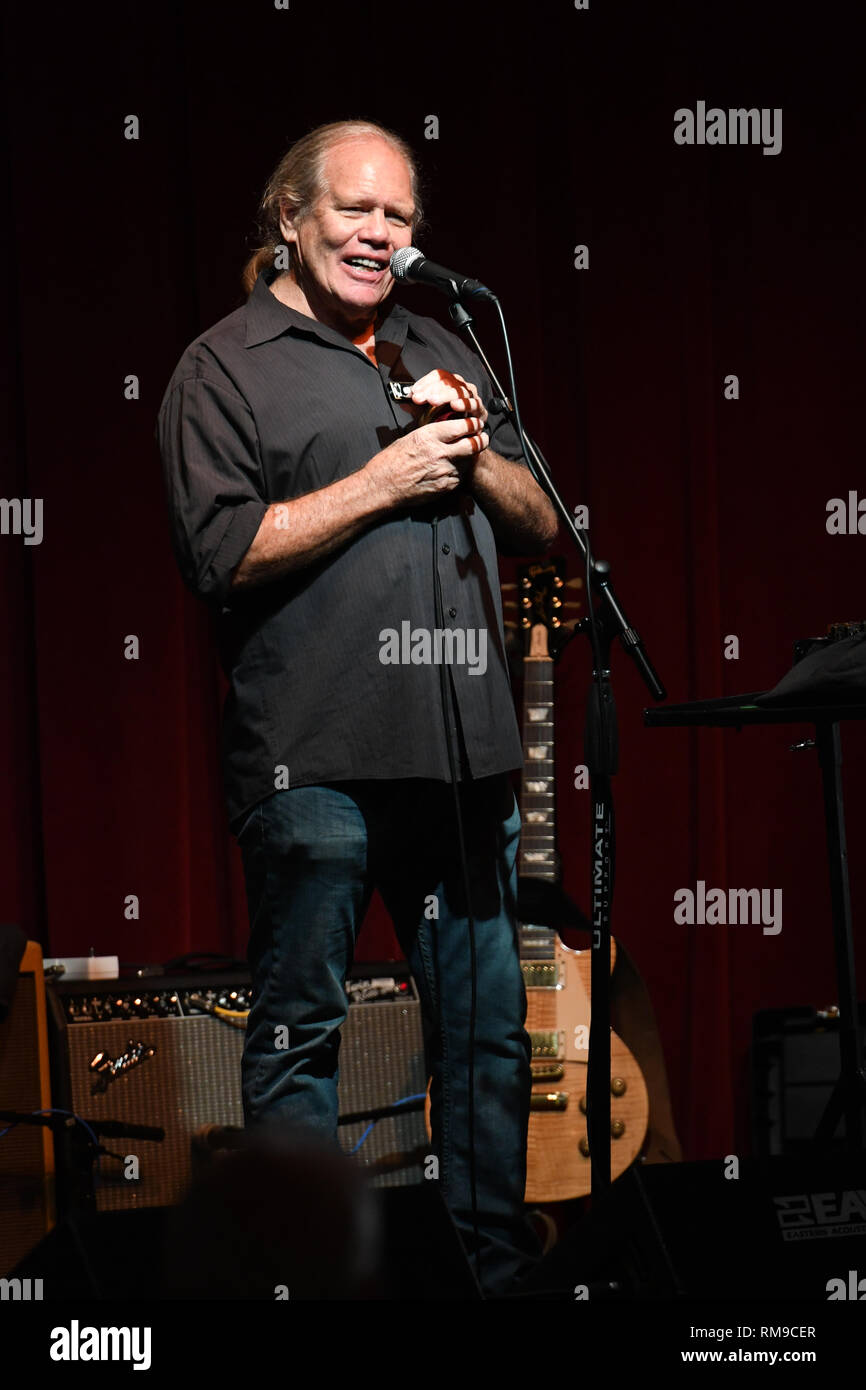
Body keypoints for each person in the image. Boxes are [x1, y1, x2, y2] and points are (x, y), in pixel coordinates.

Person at [157, 119, 558, 1296]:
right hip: (314, 765)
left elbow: (537, 521)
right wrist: (380, 480)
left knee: (484, 1039)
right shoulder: (223, 367)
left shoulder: (442, 342)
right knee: (302, 1044)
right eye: (355, 210)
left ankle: (492, 1270)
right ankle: (300, 1285)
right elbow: (220, 554)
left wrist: (472, 450)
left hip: (464, 759)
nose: (379, 233)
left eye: (399, 217)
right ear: (291, 218)